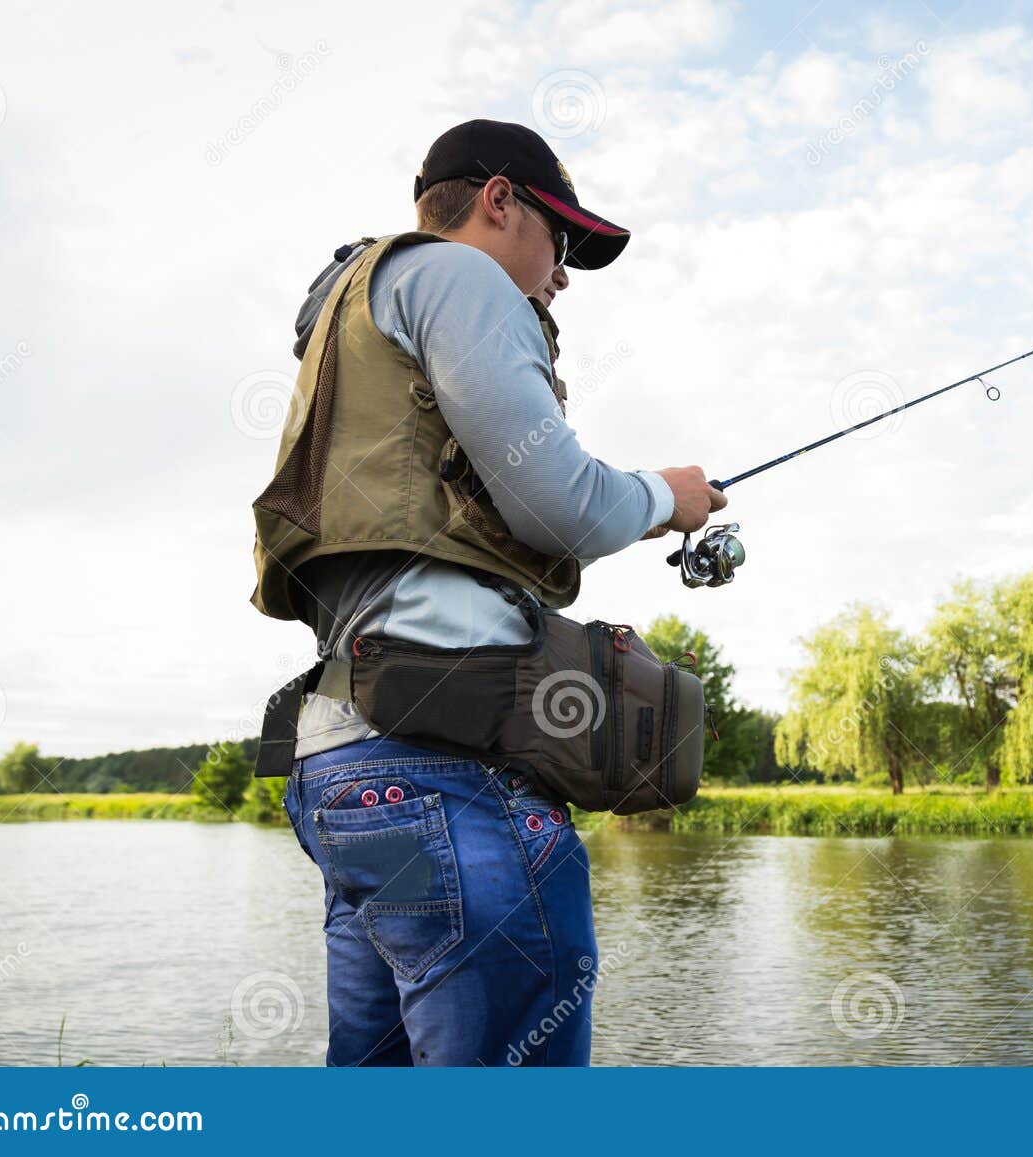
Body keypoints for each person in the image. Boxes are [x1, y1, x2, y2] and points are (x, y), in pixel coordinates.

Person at [247, 119, 726, 1066]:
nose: (559, 278)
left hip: (341, 768)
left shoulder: (349, 314)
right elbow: (565, 505)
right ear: (500, 201)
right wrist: (667, 499)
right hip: (451, 777)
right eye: (561, 243)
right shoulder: (458, 275)